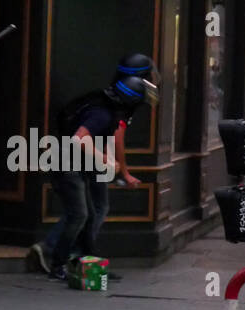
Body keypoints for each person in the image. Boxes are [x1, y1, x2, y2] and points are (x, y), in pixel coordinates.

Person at [28, 54, 153, 281]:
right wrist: (106, 160)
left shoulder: (107, 107)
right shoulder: (102, 113)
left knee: (90, 213)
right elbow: (79, 139)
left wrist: (103, 157)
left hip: (75, 163)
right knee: (79, 215)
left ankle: (88, 262)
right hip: (66, 164)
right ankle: (57, 265)